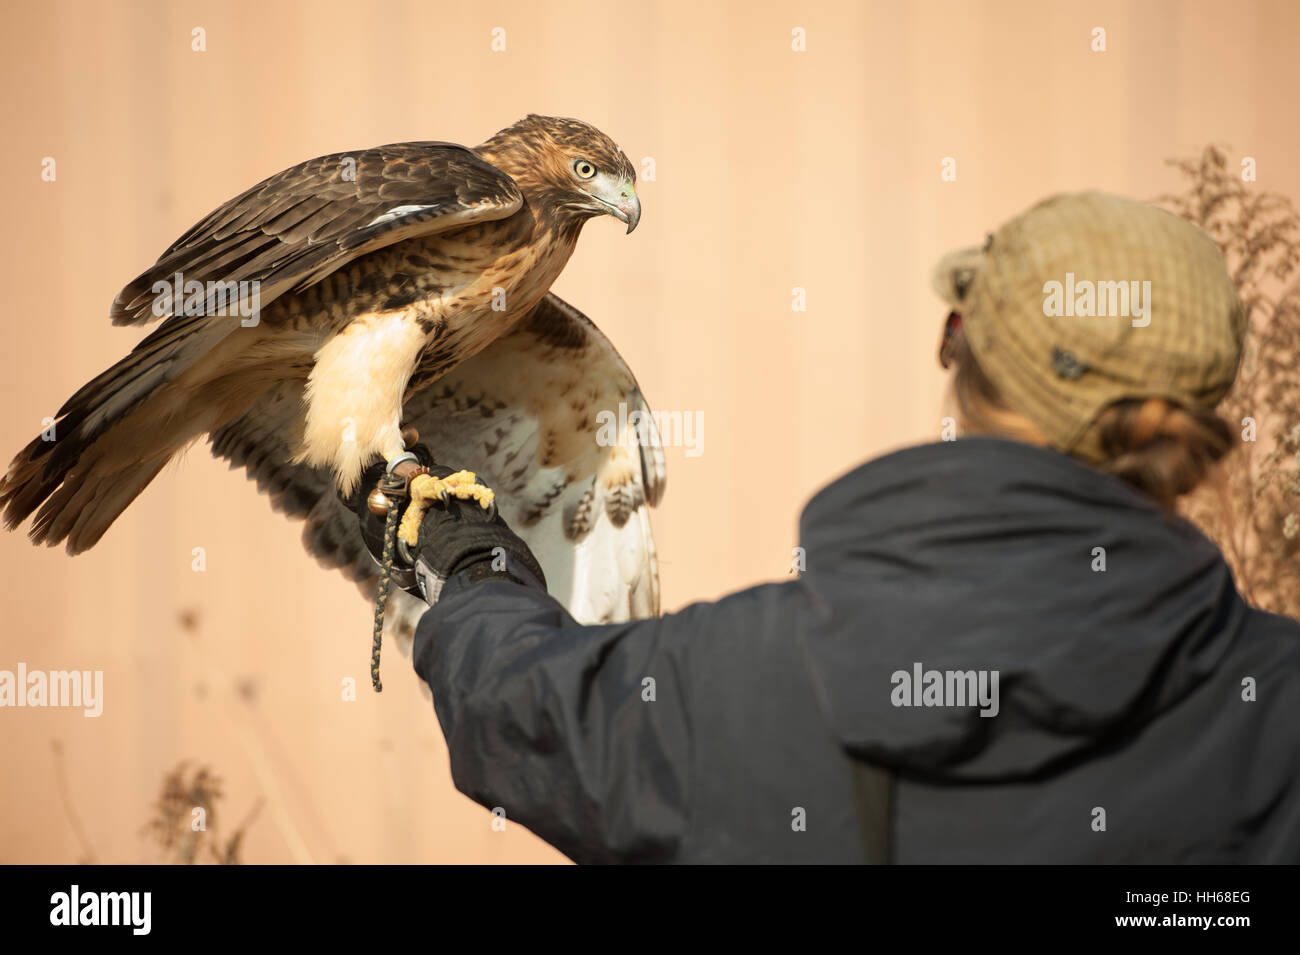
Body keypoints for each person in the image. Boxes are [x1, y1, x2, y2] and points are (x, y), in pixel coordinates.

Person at [352, 192, 1300, 864]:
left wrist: (473, 566)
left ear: (958, 353)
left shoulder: (749, 676)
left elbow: (527, 716)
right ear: (1206, 423)